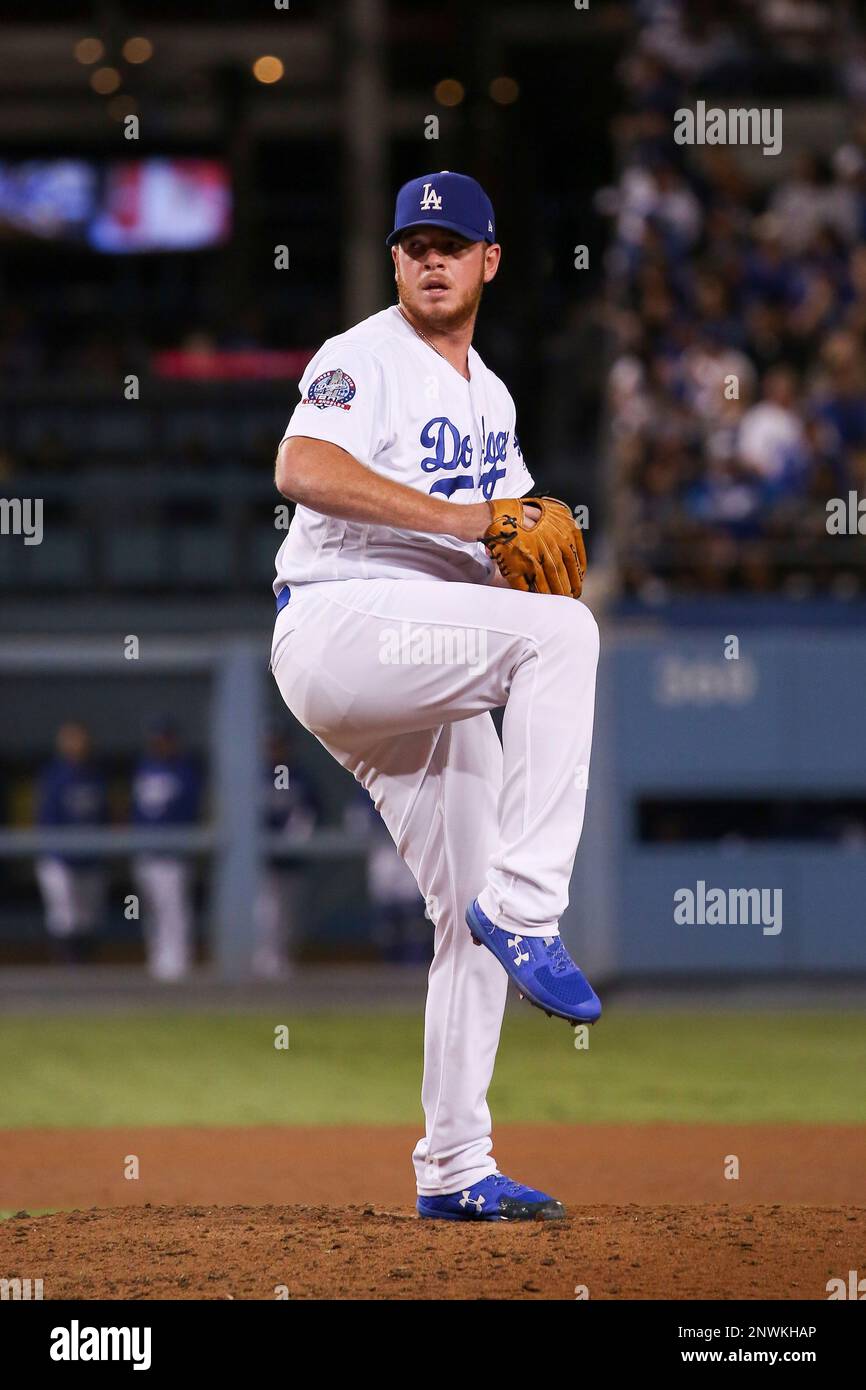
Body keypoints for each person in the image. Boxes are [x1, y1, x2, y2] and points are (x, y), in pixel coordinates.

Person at [269, 172, 601, 1222]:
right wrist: (477, 528)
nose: (429, 257)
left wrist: (516, 538)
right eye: (412, 242)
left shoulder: (491, 398)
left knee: (463, 916)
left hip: (426, 667)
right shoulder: (358, 357)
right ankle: (530, 905)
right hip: (339, 625)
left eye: (449, 243)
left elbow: (514, 542)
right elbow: (301, 468)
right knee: (563, 638)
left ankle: (454, 1165)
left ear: (487, 261)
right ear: (393, 260)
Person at [131, 719, 201, 982]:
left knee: (175, 909)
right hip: (147, 852)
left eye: (166, 739)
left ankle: (178, 963)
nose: (161, 744)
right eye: (158, 740)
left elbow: (190, 813)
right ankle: (159, 961)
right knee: (150, 910)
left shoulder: (184, 772)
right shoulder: (145, 768)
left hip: (174, 855)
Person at [35, 721, 109, 964]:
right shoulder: (54, 776)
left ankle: (85, 978)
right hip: (58, 859)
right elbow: (46, 820)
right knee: (64, 918)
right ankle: (68, 978)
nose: (75, 744)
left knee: (88, 920)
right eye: (69, 739)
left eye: (79, 738)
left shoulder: (96, 775)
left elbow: (104, 817)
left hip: (90, 859)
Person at [253, 727, 321, 979]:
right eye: (271, 745)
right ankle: (266, 964)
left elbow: (312, 811)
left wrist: (300, 829)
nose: (275, 750)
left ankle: (282, 962)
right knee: (267, 915)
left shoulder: (300, 776)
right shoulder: (256, 776)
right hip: (264, 861)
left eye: (279, 744)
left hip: (293, 861)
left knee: (290, 916)